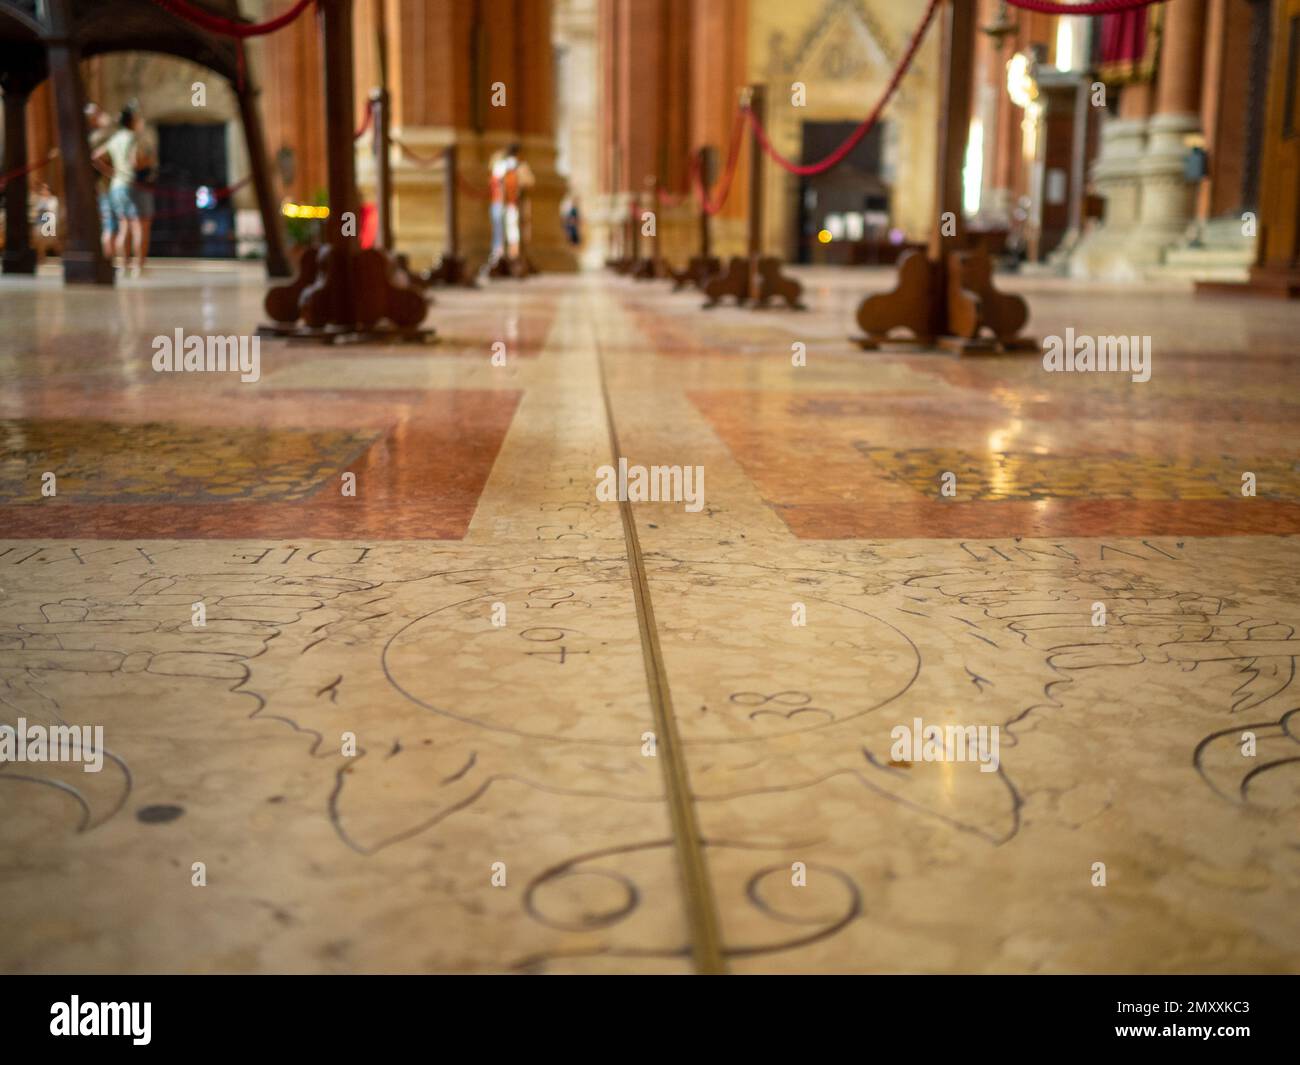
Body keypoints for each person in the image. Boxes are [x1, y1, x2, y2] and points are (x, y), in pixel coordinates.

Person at [93, 107, 142, 277]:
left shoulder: (115, 139)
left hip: (115, 184)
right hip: (128, 182)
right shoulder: (131, 137)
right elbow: (135, 161)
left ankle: (122, 265)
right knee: (136, 226)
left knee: (123, 226)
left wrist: (111, 172)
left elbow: (95, 156)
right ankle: (137, 266)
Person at [488, 143, 534, 265]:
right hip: (509, 203)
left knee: (501, 231)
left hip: (500, 202)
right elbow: (529, 181)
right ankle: (511, 258)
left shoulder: (499, 165)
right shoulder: (517, 166)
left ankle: (500, 258)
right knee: (511, 231)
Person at [85, 103, 116, 263]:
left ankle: (106, 256)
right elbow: (96, 158)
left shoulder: (91, 135)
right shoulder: (97, 136)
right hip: (104, 183)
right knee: (108, 221)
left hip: (100, 183)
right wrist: (108, 171)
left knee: (107, 220)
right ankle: (107, 258)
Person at [130, 114, 157, 273]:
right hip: (139, 185)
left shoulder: (120, 138)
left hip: (125, 185)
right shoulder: (135, 140)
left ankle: (127, 263)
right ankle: (139, 264)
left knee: (129, 225)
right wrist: (150, 160)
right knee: (142, 227)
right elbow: (136, 162)